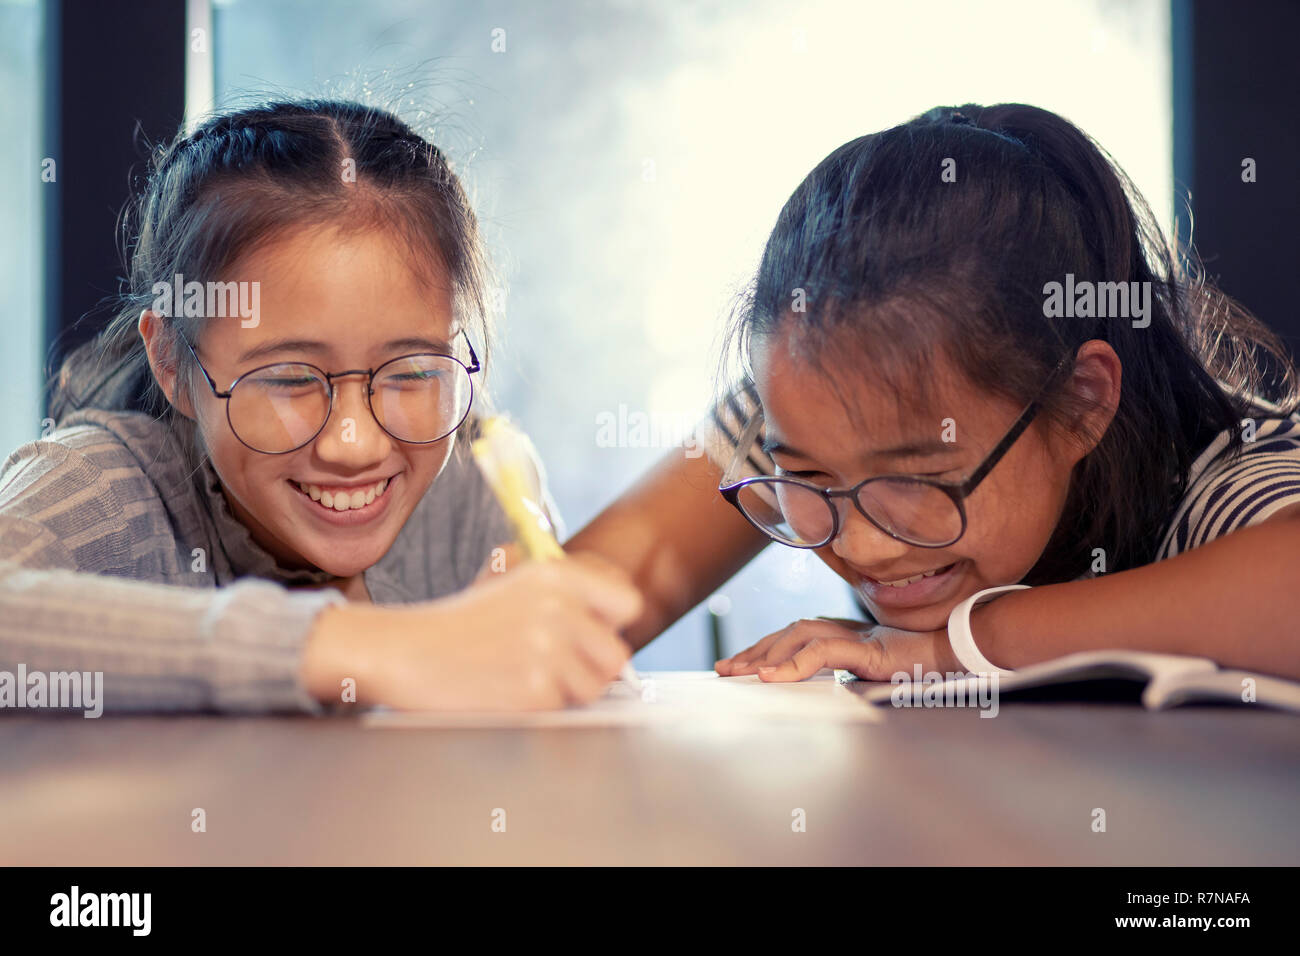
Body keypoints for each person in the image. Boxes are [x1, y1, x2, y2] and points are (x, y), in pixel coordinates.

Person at [568, 103, 1300, 683]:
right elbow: (567, 619)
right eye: (809, 477)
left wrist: (955, 648)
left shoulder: (1222, 474)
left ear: (1081, 401)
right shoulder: (817, 406)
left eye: (919, 480)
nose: (862, 546)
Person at [0, 100, 641, 715]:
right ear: (171, 360)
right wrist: (367, 647)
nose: (354, 444)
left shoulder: (475, 489)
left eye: (414, 370)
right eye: (288, 379)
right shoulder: (103, 491)